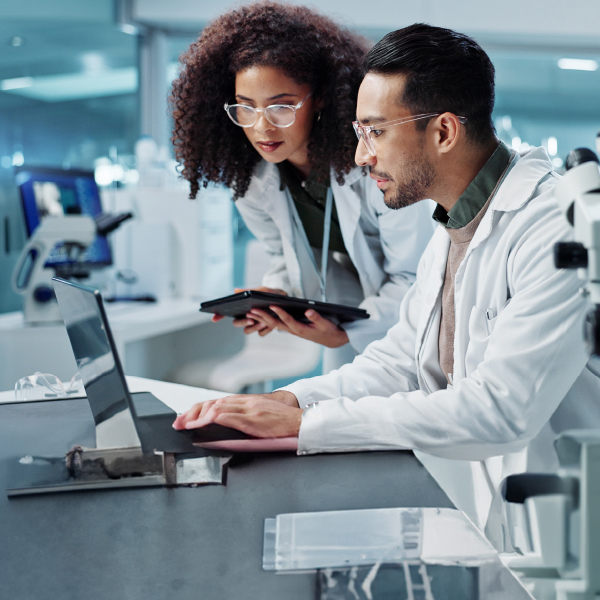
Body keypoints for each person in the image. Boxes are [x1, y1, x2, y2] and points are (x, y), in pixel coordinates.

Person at [173, 23, 600, 546]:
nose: (360, 155)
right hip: (505, 517)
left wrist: (308, 427)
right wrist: (292, 401)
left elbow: (499, 411)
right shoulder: (452, 225)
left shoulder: (558, 229)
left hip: (574, 532)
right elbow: (400, 361)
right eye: (359, 132)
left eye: (376, 132)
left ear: (444, 131)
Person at [170, 2, 433, 371]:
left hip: (422, 332)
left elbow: (414, 277)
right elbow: (284, 255)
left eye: (282, 107)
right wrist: (277, 295)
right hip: (356, 330)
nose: (262, 128)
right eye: (245, 107)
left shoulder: (377, 166)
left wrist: (348, 333)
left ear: (321, 97)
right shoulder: (253, 182)